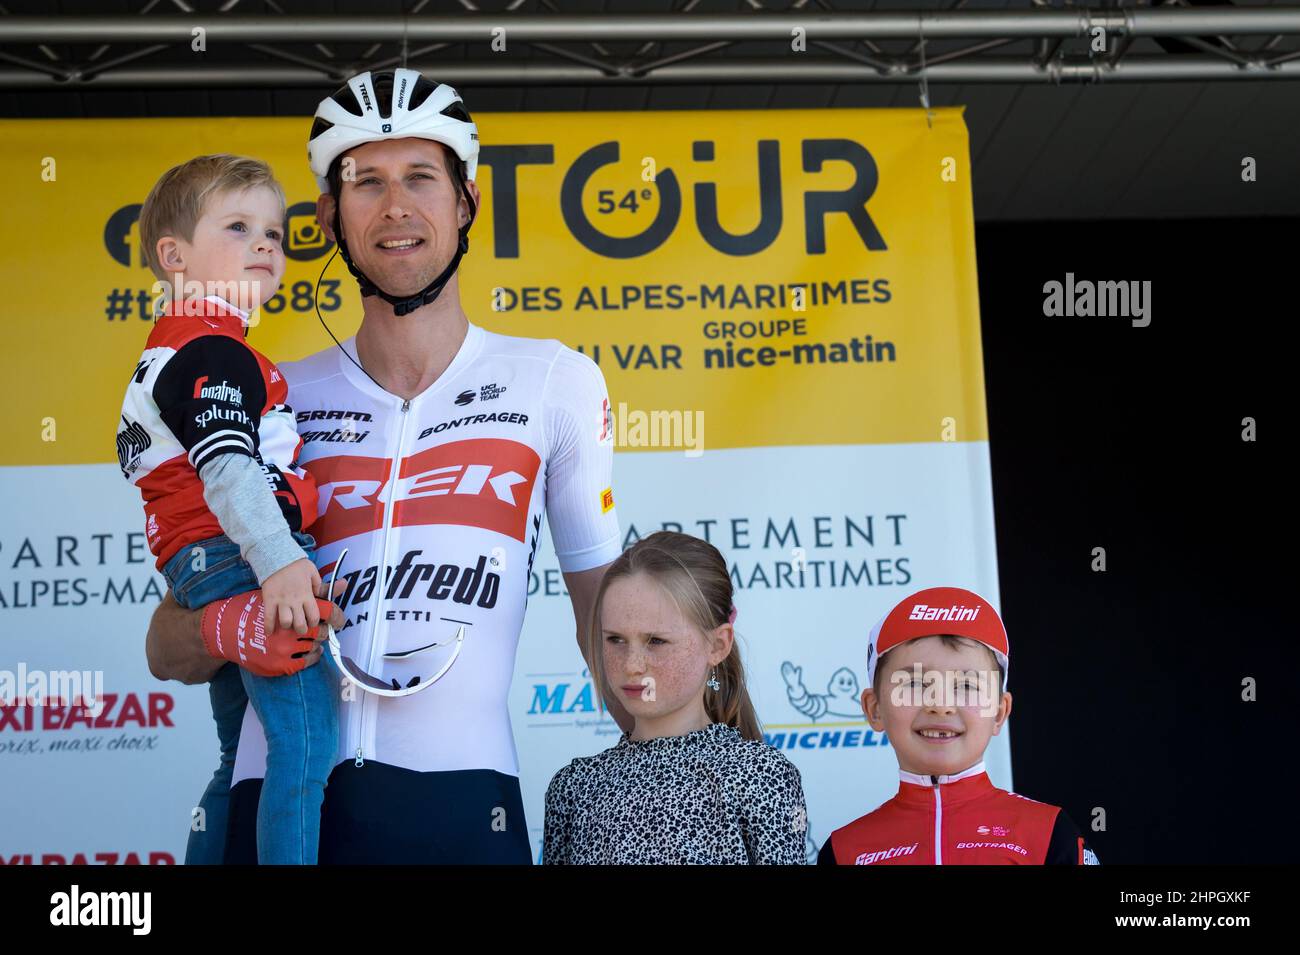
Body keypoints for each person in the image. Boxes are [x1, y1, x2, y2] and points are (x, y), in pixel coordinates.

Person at [144, 68, 627, 864]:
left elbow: (603, 620)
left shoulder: (555, 381)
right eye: (366, 181)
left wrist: (668, 762)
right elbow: (167, 647)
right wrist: (237, 626)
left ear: (466, 202)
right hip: (277, 811)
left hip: (464, 808)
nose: (396, 206)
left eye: (420, 178)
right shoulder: (270, 394)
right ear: (330, 216)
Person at [119, 154, 340, 865]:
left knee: (238, 749)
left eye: (274, 232)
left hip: (201, 565)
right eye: (239, 226)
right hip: (240, 561)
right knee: (304, 746)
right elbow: (227, 467)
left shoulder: (179, 345)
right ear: (174, 256)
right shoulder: (210, 344)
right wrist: (278, 563)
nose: (266, 244)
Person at [542, 531, 808, 864]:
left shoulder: (760, 775)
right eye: (615, 639)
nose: (632, 665)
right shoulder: (574, 789)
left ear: (717, 645)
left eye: (655, 641)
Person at [817, 586, 1100, 865]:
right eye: (914, 683)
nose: (940, 704)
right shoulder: (845, 850)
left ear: (999, 712)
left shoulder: (1047, 832)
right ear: (874, 708)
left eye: (966, 685)